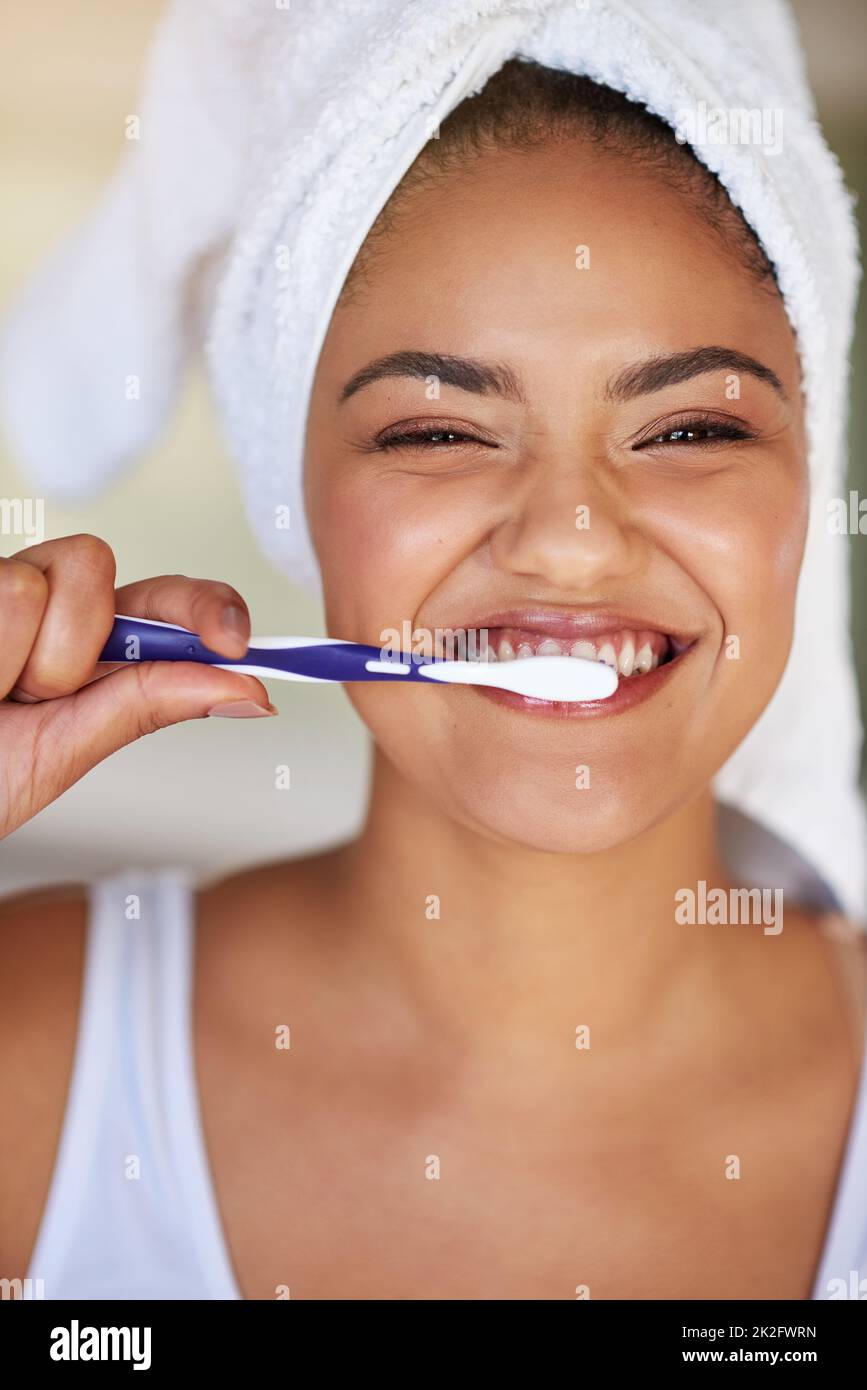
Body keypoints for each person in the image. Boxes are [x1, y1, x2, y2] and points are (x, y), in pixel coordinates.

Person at [1, 62, 865, 1301]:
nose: (571, 535)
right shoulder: (24, 1062)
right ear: (291, 489)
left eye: (692, 430)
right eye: (438, 433)